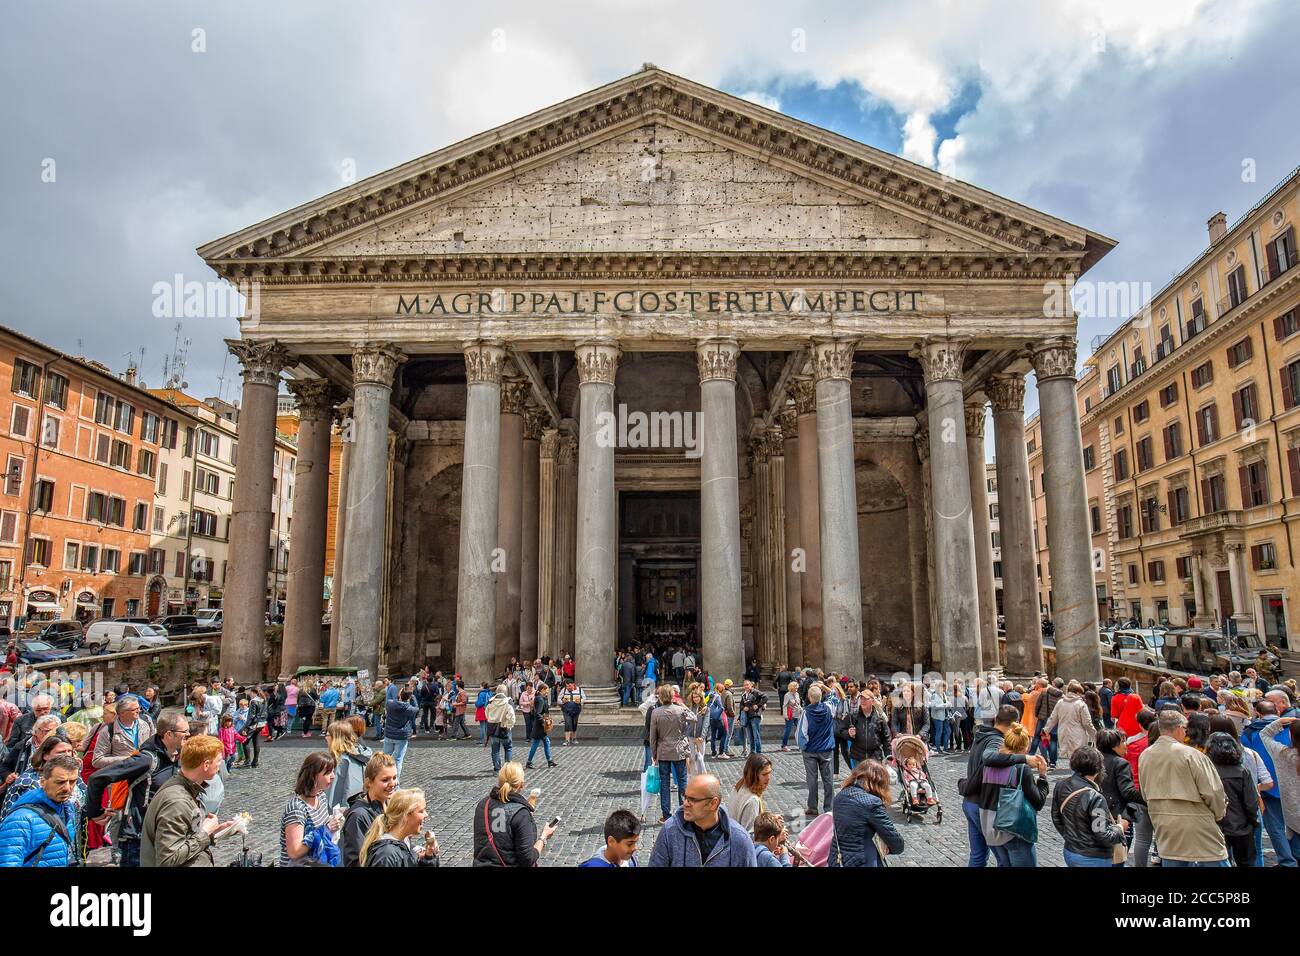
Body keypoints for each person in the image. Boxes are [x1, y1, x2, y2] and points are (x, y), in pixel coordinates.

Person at [1139, 708, 1228, 866]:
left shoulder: (1146, 754)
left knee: (1172, 859)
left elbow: (1144, 792)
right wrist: (1219, 814)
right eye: (1185, 729)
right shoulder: (1192, 755)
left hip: (1162, 820)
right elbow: (1213, 792)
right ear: (1180, 728)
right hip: (1197, 821)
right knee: (1214, 860)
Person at [961, 704, 1046, 868]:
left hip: (973, 801)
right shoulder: (996, 740)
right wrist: (1025, 759)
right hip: (985, 805)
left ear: (995, 719)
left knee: (978, 855)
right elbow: (989, 758)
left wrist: (964, 786)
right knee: (1003, 859)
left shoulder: (983, 735)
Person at [140, 734, 230, 867]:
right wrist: (204, 833)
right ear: (206, 765)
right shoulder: (176, 802)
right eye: (218, 761)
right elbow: (167, 860)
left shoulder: (185, 787)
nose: (220, 765)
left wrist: (213, 833)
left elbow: (184, 837)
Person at [648, 772, 756, 866]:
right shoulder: (670, 831)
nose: (685, 803)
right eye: (685, 797)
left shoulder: (740, 840)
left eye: (692, 799)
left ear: (713, 803)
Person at [1051, 745, 1128, 866]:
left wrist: (1071, 838)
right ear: (1098, 768)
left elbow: (1056, 818)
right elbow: (1103, 835)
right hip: (1093, 857)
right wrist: (1120, 828)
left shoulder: (1061, 785)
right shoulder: (1095, 797)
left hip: (1071, 851)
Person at [0, 754, 81, 867]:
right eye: (60, 782)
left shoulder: (68, 810)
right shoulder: (20, 820)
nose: (67, 788)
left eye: (72, 781)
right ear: (42, 782)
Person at [472, 762, 556, 867]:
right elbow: (527, 859)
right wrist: (543, 837)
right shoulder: (520, 814)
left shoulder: (483, 804)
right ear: (521, 784)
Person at [829, 760, 904, 867]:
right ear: (879, 782)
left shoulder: (840, 795)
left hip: (837, 858)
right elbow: (896, 842)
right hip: (862, 861)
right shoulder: (872, 803)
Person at [1204, 731, 1259, 867]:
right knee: (1246, 862)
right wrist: (1253, 821)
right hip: (1242, 825)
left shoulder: (1207, 771)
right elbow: (1250, 802)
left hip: (1216, 825)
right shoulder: (1242, 772)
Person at [280, 752, 340, 867]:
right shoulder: (297, 808)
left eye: (333, 771)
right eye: (327, 773)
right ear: (313, 776)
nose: (333, 776)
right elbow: (294, 852)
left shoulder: (321, 796)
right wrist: (326, 829)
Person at [341, 752, 398, 867]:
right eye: (385, 780)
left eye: (394, 777)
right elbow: (355, 861)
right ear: (369, 782)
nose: (392, 784)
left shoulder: (390, 804)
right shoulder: (358, 816)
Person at [1096, 728, 1144, 862]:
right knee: (1118, 856)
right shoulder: (1120, 763)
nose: (1126, 745)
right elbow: (1127, 791)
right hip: (1117, 817)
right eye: (1123, 741)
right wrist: (1146, 798)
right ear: (1114, 745)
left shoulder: (1095, 759)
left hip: (1097, 812)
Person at [359, 788, 439, 867]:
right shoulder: (386, 855)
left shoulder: (404, 844)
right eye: (421, 811)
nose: (426, 815)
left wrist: (429, 857)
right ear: (406, 815)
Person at [1258, 715, 1300, 863]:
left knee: (1296, 851)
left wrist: (1278, 723)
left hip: (1293, 813)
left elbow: (1264, 734)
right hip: (1293, 813)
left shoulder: (1283, 754)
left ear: (1291, 735)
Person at [649, 685, 693, 823]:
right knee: (682, 781)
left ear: (661, 697)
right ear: (673, 696)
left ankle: (666, 815)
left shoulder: (656, 712)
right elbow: (694, 718)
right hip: (679, 750)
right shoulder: (680, 710)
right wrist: (683, 705)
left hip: (663, 751)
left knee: (665, 783)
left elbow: (653, 736)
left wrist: (654, 753)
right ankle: (684, 812)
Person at [1043, 680, 1096, 764]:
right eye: (1081, 693)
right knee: (1079, 756)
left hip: (1063, 732)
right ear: (1077, 692)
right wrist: (1094, 734)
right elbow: (1087, 723)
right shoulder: (1081, 704)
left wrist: (1046, 730)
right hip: (1078, 733)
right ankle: (1077, 775)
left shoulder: (1060, 703)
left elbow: (1053, 718)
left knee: (1071, 757)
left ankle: (1074, 774)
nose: (1082, 695)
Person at [724, 753, 772, 832]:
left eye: (769, 773)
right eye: (764, 774)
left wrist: (771, 821)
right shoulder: (752, 801)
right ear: (754, 775)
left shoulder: (739, 786)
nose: (768, 778)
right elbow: (749, 836)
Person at [383, 687, 418, 782]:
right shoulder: (409, 708)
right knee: (398, 760)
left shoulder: (390, 703)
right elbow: (417, 708)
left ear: (400, 695)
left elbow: (394, 701)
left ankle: (384, 776)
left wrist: (400, 696)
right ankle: (394, 781)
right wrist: (413, 697)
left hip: (389, 734)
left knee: (386, 757)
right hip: (401, 736)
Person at [846, 690, 890, 766]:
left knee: (874, 778)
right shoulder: (853, 716)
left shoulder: (879, 718)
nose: (863, 701)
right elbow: (841, 730)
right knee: (860, 778)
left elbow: (886, 738)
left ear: (872, 701)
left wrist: (888, 755)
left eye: (866, 699)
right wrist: (848, 733)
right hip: (858, 756)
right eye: (861, 699)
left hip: (875, 757)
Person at [1031, 678, 1064, 767]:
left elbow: (1038, 704)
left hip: (1042, 718)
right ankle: (1053, 761)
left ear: (1053, 684)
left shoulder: (1045, 692)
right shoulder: (1062, 696)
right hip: (1054, 720)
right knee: (1053, 740)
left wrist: (1037, 714)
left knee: (1037, 737)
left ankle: (1031, 756)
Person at [738, 679, 766, 754]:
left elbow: (765, 697)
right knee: (750, 736)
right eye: (744, 685)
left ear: (751, 685)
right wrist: (743, 709)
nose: (746, 686)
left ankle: (758, 752)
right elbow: (741, 706)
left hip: (755, 716)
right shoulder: (744, 695)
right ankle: (752, 751)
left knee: (756, 735)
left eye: (747, 685)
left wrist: (758, 705)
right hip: (747, 717)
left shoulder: (756, 692)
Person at [559, 679, 585, 746]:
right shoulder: (564, 690)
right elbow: (559, 699)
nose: (568, 688)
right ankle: (567, 740)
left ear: (573, 684)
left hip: (576, 710)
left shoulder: (579, 690)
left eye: (569, 686)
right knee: (567, 723)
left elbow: (584, 698)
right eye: (567, 686)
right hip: (566, 710)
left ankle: (574, 738)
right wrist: (562, 701)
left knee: (574, 723)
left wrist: (580, 701)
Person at [780, 680, 802, 752]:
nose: (797, 689)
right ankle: (784, 745)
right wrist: (785, 715)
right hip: (790, 715)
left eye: (797, 687)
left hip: (797, 714)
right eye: (795, 687)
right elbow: (784, 705)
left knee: (800, 729)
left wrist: (801, 710)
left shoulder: (797, 694)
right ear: (792, 687)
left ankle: (801, 745)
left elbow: (798, 704)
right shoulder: (787, 695)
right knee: (788, 730)